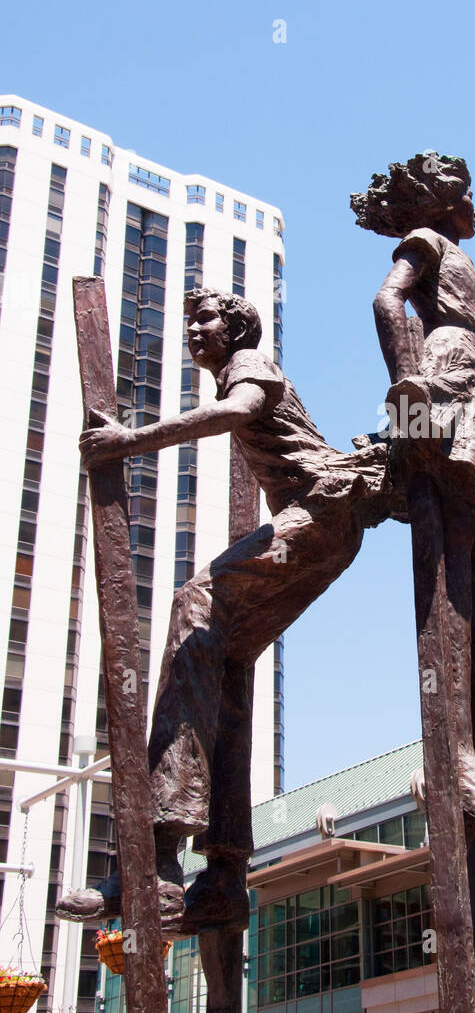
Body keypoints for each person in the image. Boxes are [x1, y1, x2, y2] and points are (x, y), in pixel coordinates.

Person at [57, 288, 391, 932]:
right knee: (228, 661)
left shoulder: (250, 366)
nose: (194, 330)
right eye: (190, 322)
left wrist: (132, 440)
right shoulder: (245, 368)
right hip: (327, 529)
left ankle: (153, 859)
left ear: (237, 329)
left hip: (317, 517)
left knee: (195, 605)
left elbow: (232, 414)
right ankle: (224, 877)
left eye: (206, 318)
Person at [352, 152, 475, 836]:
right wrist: (408, 384)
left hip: (471, 376)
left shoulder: (452, 249)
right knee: (448, 563)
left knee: (471, 565)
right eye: (464, 193)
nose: (474, 205)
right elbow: (385, 300)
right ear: (436, 204)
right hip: (445, 375)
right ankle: (457, 756)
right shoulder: (428, 243)